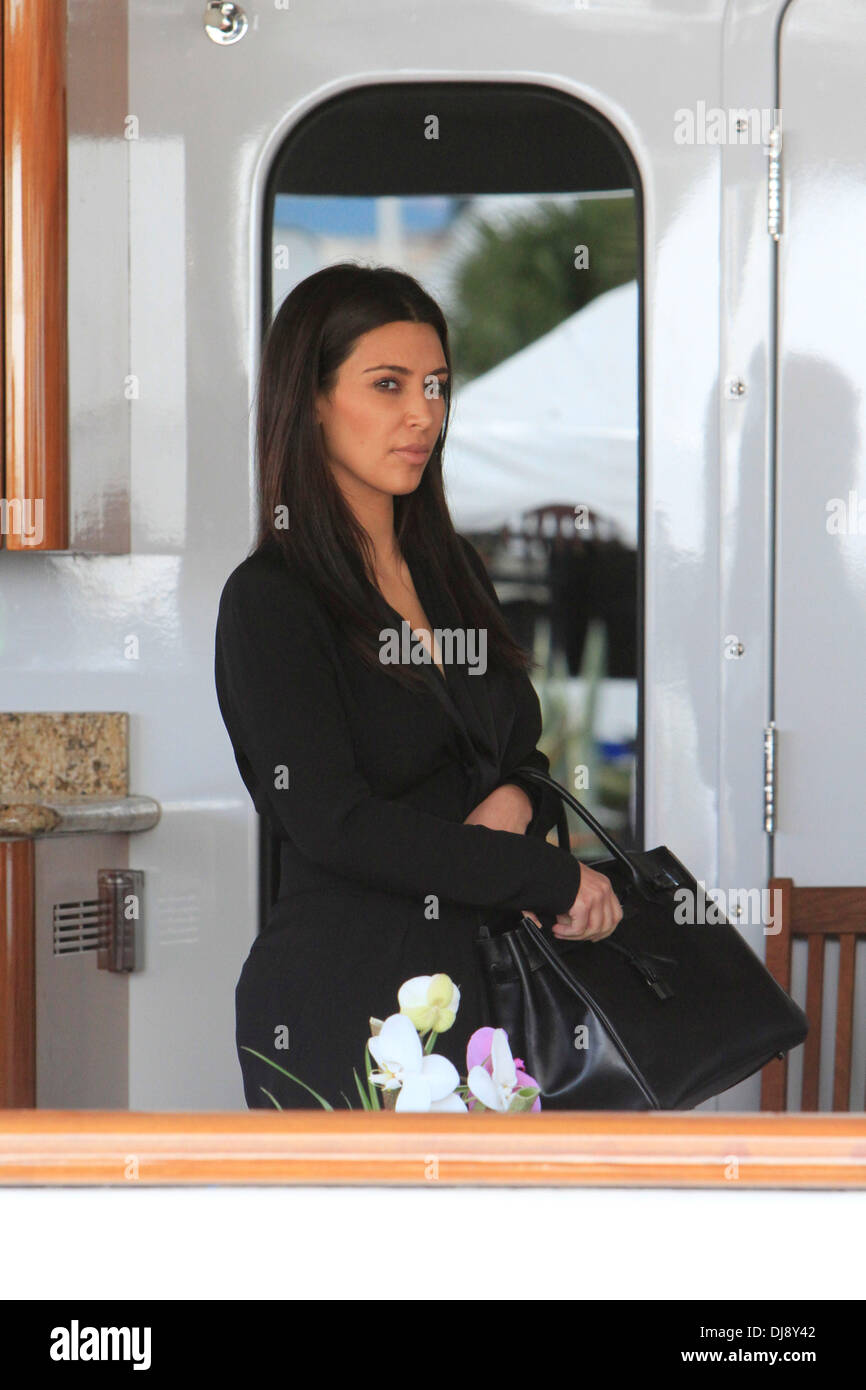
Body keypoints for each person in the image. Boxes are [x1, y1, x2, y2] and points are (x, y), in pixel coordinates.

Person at [214, 263, 622, 1110]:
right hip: (347, 1005)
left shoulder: (452, 572)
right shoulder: (273, 601)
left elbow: (522, 756)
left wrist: (517, 803)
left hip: (490, 1002)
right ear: (313, 400)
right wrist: (542, 878)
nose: (423, 413)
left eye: (435, 386)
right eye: (389, 384)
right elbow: (334, 822)